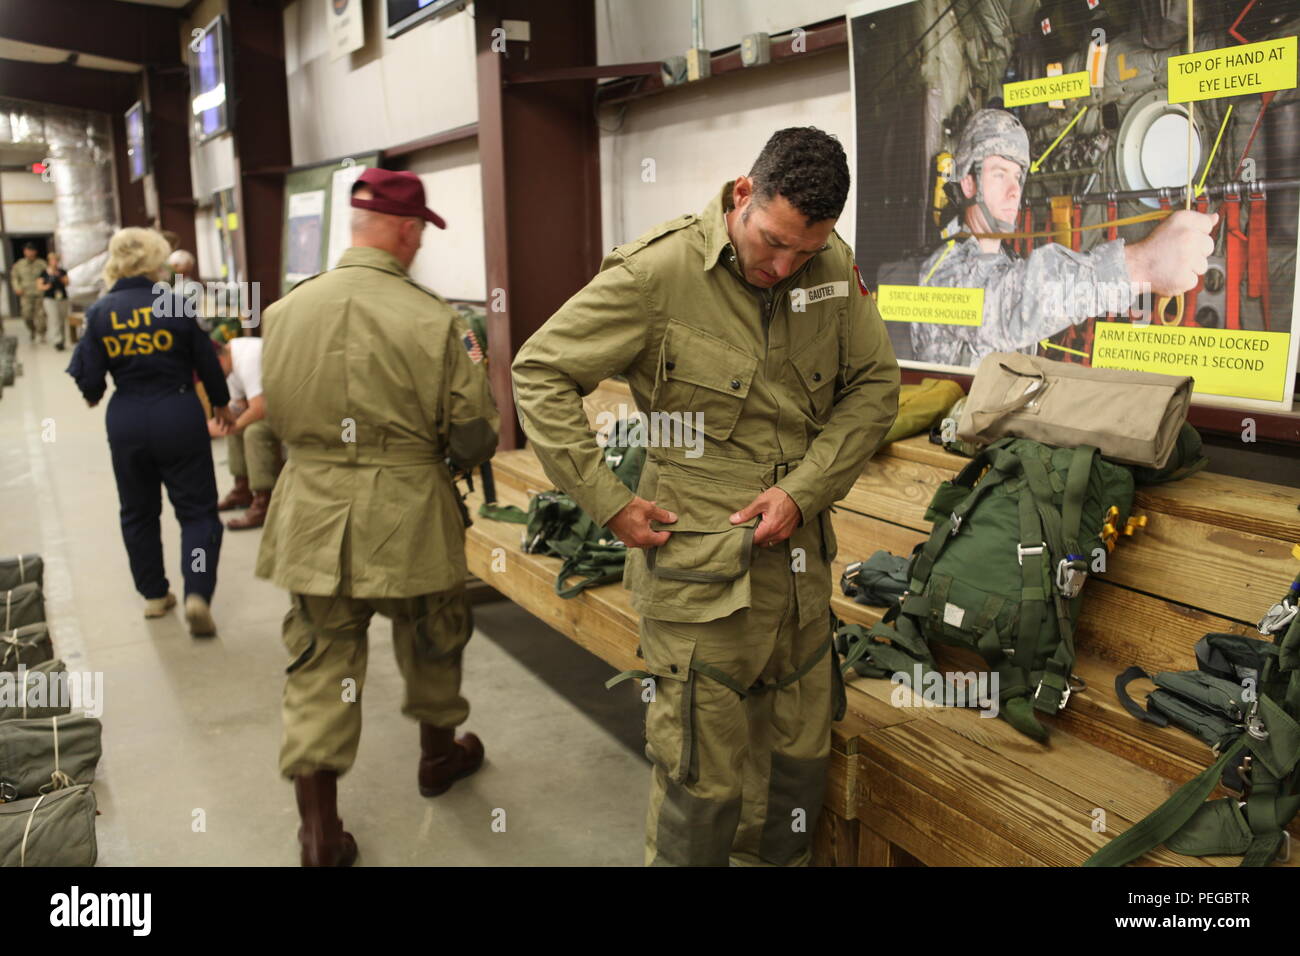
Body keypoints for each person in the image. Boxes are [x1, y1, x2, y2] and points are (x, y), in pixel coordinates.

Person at [512, 127, 901, 866]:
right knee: (703, 786)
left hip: (799, 577)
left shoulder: (829, 266)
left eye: (804, 251)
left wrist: (803, 490)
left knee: (792, 778)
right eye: (772, 242)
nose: (781, 266)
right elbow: (539, 372)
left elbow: (876, 387)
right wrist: (608, 501)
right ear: (743, 193)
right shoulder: (656, 276)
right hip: (699, 580)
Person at [255, 167, 500, 867]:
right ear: (405, 229)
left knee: (319, 658)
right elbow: (476, 433)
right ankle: (437, 759)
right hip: (411, 514)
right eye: (420, 231)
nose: (420, 243)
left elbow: (270, 421)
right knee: (434, 634)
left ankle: (319, 835)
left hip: (312, 515)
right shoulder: (438, 322)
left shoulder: (283, 313)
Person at [911, 108, 1218, 366]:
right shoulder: (940, 271)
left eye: (1018, 176)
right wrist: (1140, 264)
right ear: (968, 184)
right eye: (999, 173)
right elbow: (1015, 303)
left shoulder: (1007, 262)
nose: (1014, 190)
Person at [66, 228, 233, 635]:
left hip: (127, 418)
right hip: (177, 413)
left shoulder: (100, 312)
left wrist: (93, 393)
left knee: (138, 512)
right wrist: (222, 404)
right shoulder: (175, 304)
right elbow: (208, 364)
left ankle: (155, 595)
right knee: (196, 512)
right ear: (156, 260)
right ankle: (196, 592)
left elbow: (89, 380)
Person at [210, 336, 281, 530]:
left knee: (254, 431)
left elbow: (259, 408)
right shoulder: (229, 363)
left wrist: (233, 425)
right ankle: (242, 488)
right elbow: (240, 405)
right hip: (272, 405)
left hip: (289, 405)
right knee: (234, 426)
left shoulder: (247, 357)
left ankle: (263, 501)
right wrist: (221, 421)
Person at [10, 242, 47, 343]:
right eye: (28, 250)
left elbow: (47, 276)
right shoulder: (19, 264)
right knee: (26, 315)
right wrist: (17, 287)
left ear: (35, 252)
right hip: (25, 294)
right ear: (24, 252)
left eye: (32, 250)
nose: (30, 253)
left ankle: (41, 333)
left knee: (41, 315)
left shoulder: (42, 263)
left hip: (39, 293)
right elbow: (15, 278)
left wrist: (46, 287)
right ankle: (32, 330)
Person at [38, 251, 71, 351]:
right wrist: (47, 286)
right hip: (50, 298)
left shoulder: (62, 271)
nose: (54, 262)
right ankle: (57, 341)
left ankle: (62, 340)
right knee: (54, 319)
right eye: (52, 260)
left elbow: (67, 282)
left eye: (56, 260)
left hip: (62, 298)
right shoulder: (44, 272)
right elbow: (39, 286)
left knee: (62, 320)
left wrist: (59, 276)